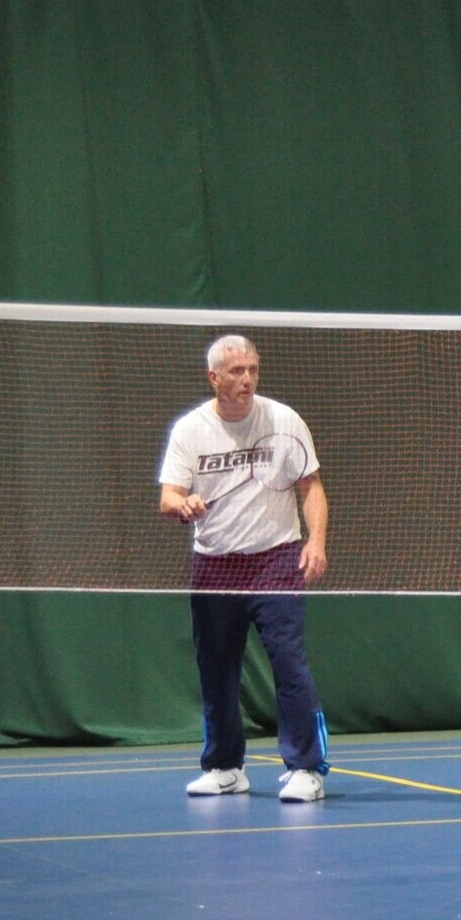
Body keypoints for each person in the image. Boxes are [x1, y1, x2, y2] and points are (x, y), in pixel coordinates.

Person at [158, 334, 332, 803]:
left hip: (275, 557)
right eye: (236, 372)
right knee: (215, 668)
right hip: (214, 564)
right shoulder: (190, 430)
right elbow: (167, 497)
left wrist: (315, 541)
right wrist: (183, 504)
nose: (247, 379)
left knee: (289, 662)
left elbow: (310, 486)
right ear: (214, 377)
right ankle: (224, 765)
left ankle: (307, 769)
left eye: (252, 369)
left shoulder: (284, 420)